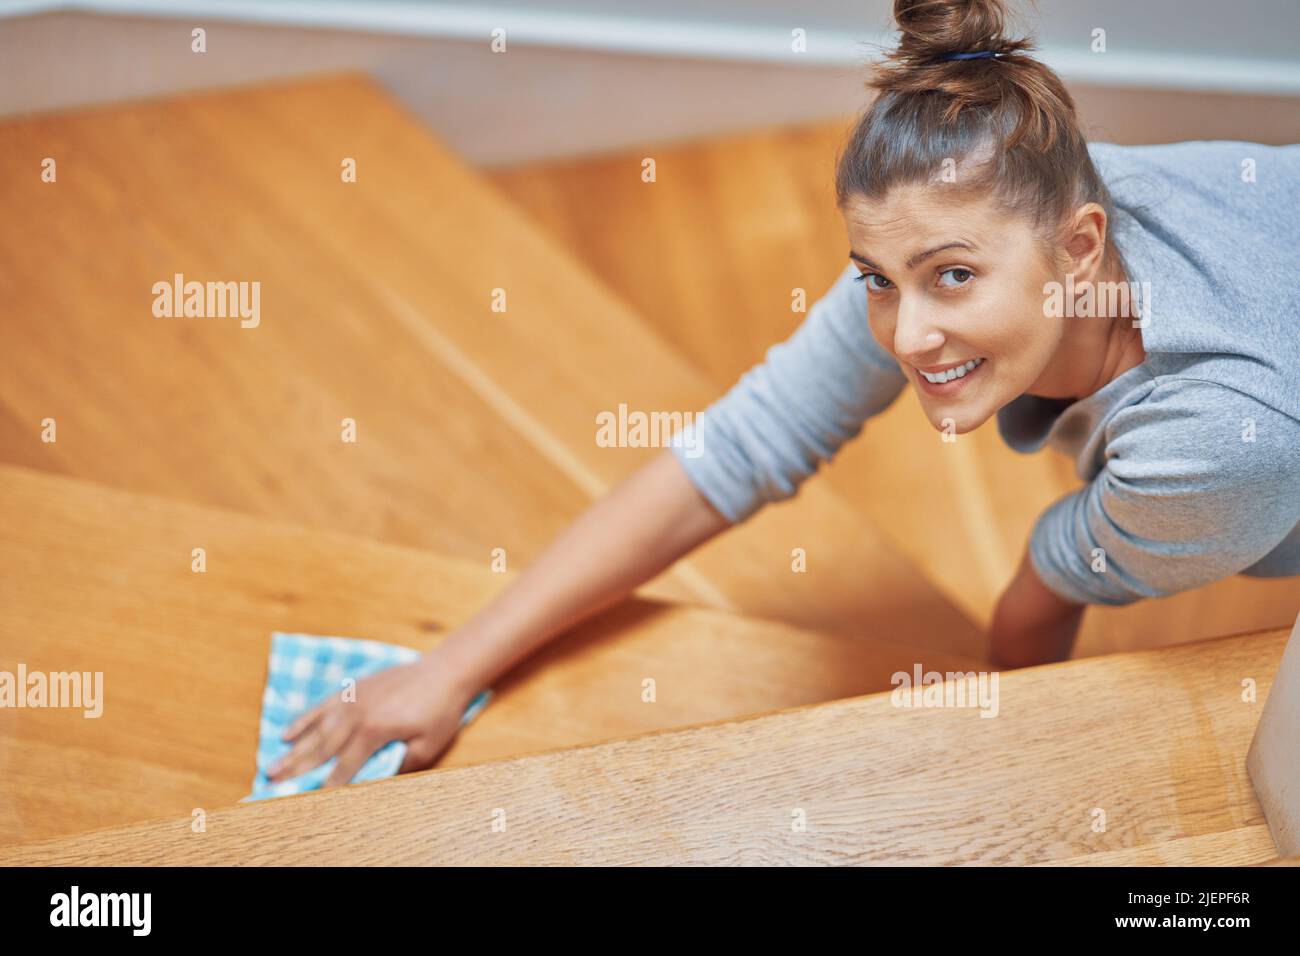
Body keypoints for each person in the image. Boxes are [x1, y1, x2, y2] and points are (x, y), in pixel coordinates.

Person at [268, 0, 1300, 789]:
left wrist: (999, 761)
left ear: (1078, 248)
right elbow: (747, 440)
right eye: (876, 281)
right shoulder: (1017, 190)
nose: (907, 334)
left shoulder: (1220, 440)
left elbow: (1037, 592)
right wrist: (451, 665)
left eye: (950, 278)